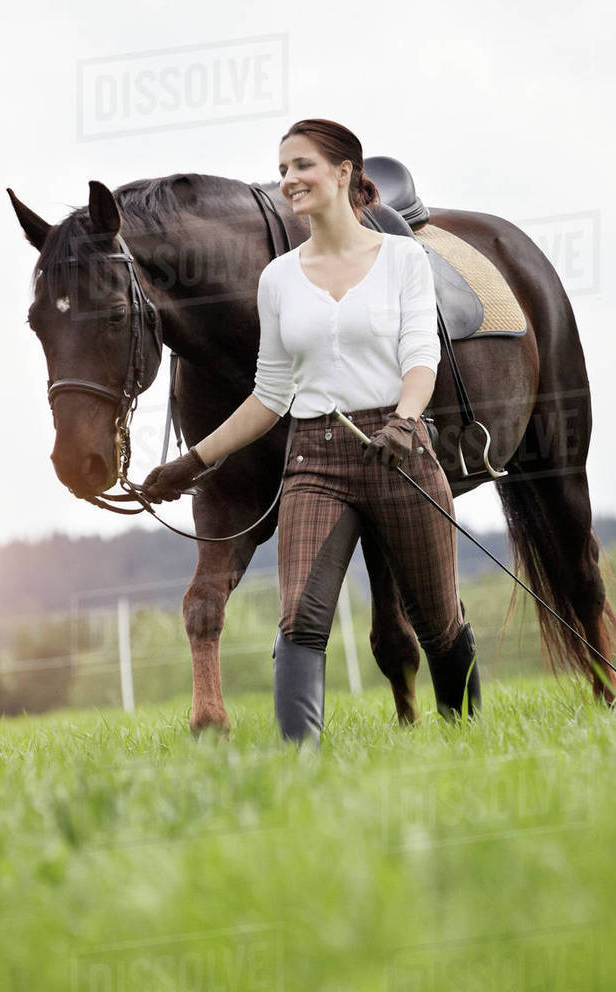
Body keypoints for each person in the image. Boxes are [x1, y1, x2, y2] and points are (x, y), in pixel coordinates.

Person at [141, 119, 481, 744]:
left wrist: (407, 422)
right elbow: (269, 394)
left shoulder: (402, 258)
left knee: (437, 619)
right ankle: (301, 763)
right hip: (314, 462)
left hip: (398, 455)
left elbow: (420, 359)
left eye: (302, 166)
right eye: (282, 170)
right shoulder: (278, 279)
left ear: (344, 172)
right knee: (300, 616)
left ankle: (466, 739)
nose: (288, 180)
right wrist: (192, 463)